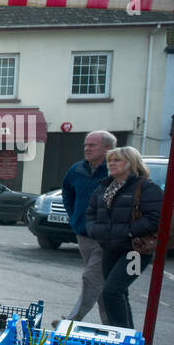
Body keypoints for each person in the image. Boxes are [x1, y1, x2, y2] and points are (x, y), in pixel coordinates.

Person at [84, 146, 162, 331]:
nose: (111, 163)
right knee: (118, 293)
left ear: (131, 163)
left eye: (117, 160)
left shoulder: (146, 188)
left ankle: (121, 336)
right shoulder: (104, 188)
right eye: (110, 160)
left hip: (135, 251)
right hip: (110, 248)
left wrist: (127, 232)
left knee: (112, 291)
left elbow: (156, 218)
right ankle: (126, 336)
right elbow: (90, 214)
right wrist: (95, 231)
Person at [58, 130, 114, 326]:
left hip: (107, 238)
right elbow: (67, 191)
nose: (87, 149)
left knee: (91, 277)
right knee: (100, 283)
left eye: (92, 145)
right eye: (85, 145)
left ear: (108, 147)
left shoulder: (115, 169)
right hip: (83, 235)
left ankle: (71, 322)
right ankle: (114, 326)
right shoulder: (77, 169)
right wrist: (74, 216)